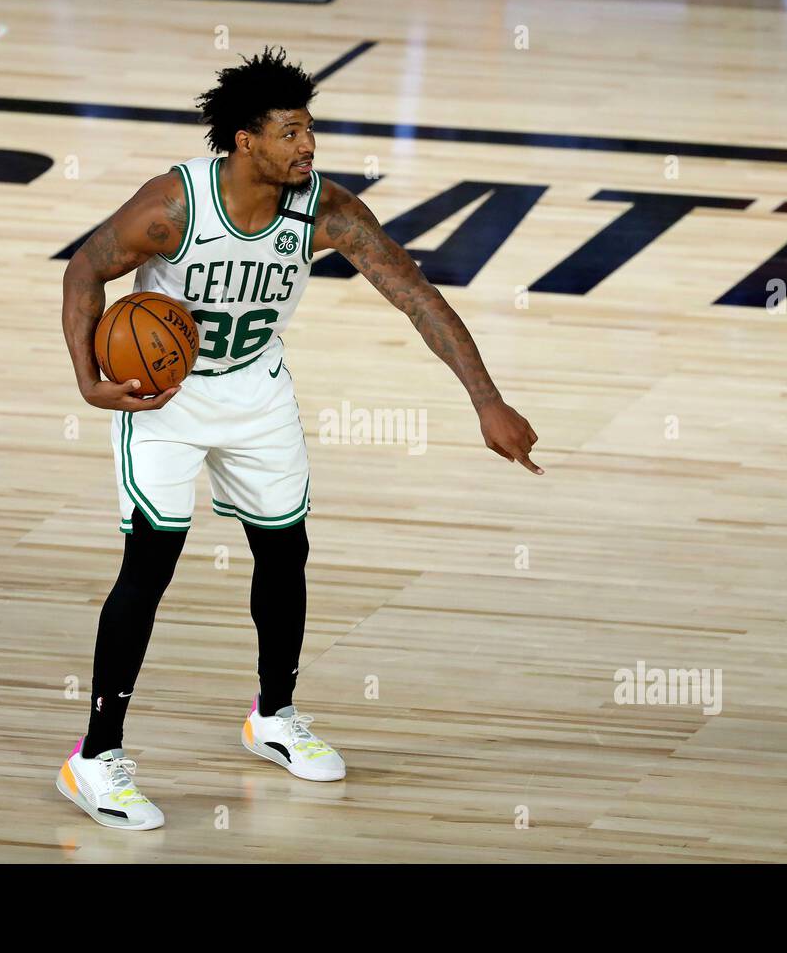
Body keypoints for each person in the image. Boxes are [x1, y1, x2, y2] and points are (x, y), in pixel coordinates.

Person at [56, 47, 541, 830]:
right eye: (290, 133)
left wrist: (487, 400)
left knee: (285, 552)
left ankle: (273, 716)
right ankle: (95, 758)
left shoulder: (326, 210)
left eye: (309, 130)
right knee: (151, 562)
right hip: (166, 398)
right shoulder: (172, 208)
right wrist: (88, 378)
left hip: (256, 387)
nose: (307, 146)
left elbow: (414, 295)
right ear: (246, 141)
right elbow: (85, 272)